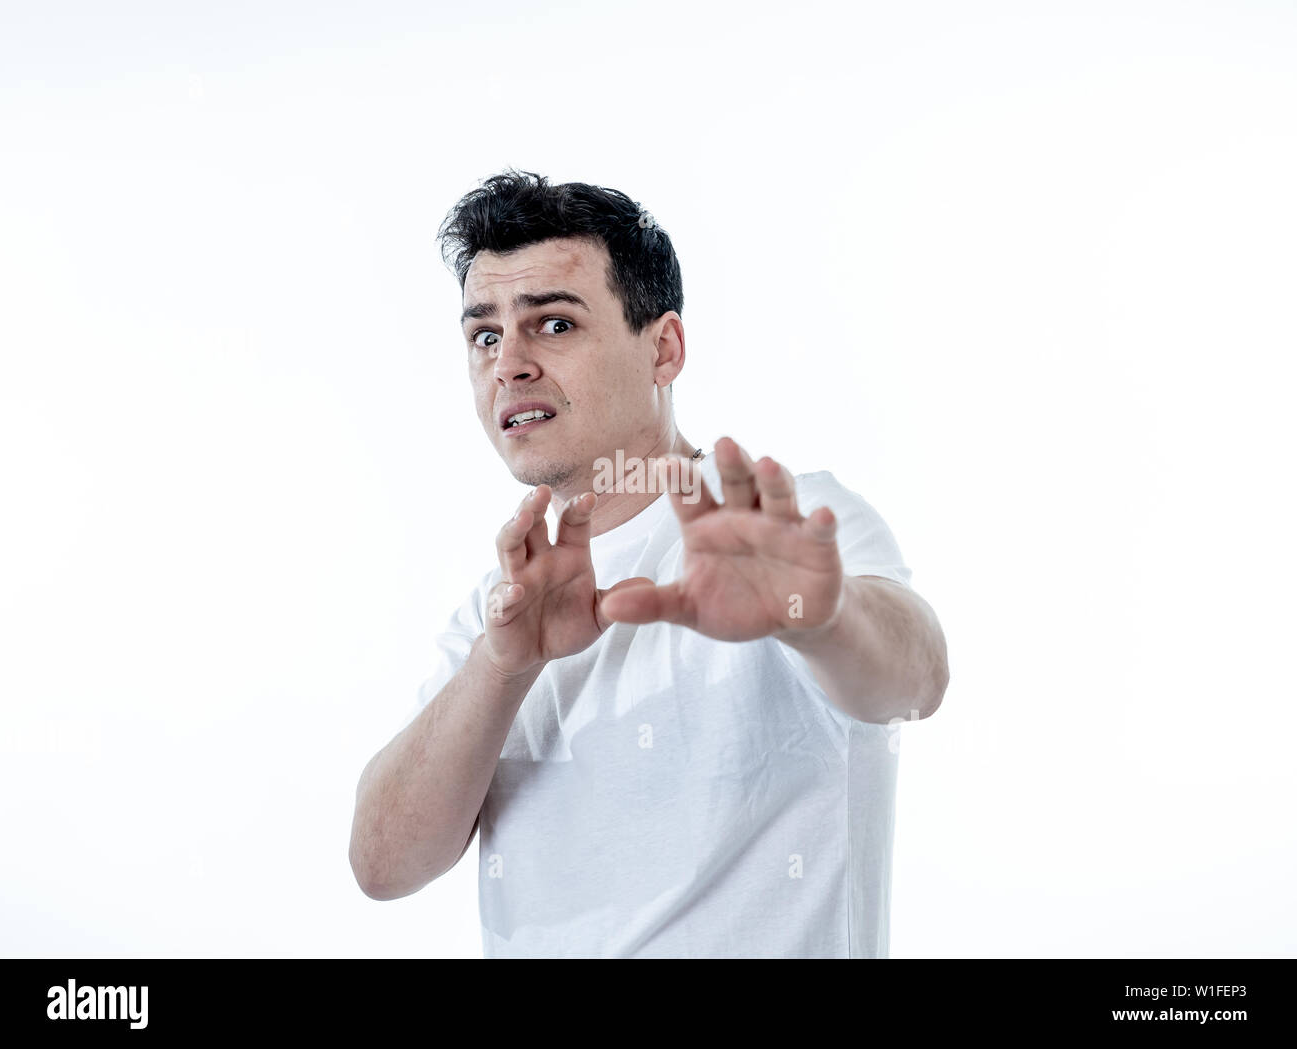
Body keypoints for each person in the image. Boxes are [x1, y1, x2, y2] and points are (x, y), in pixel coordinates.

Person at [348, 169, 949, 957]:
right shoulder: (498, 610)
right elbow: (383, 864)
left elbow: (917, 676)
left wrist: (817, 615)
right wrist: (501, 666)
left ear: (663, 347)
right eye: (485, 335)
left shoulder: (780, 524)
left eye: (554, 325)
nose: (510, 365)